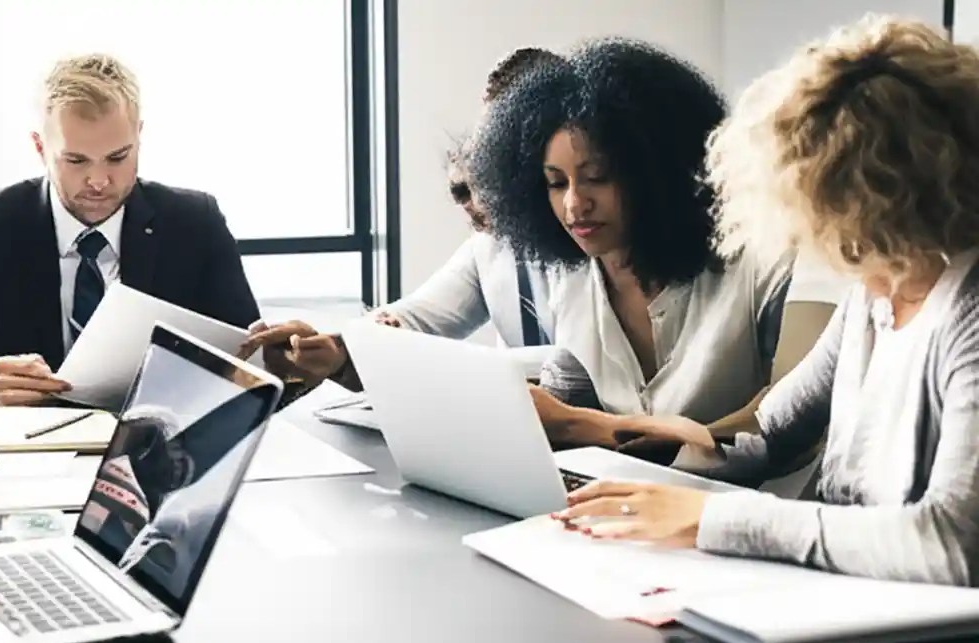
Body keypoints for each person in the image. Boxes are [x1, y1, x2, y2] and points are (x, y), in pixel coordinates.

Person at [556, 15, 979, 586]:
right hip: (844, 599)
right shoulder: (871, 299)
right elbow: (769, 437)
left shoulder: (967, 311)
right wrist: (638, 474)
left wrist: (713, 519)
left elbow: (953, 545)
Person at [461, 38, 809, 448]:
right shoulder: (571, 277)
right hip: (622, 504)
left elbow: (791, 421)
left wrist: (587, 427)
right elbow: (568, 401)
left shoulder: (761, 262)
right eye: (556, 183)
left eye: (598, 177)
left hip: (739, 505)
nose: (575, 204)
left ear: (657, 170)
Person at [0, 53, 260, 422]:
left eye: (117, 158)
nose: (99, 181)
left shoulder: (195, 223)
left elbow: (252, 364)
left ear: (139, 138)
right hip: (26, 456)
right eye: (76, 161)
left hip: (161, 448)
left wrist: (298, 363)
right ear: (40, 149)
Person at [241, 48, 568, 390]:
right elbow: (416, 318)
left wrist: (445, 363)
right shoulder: (489, 248)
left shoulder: (595, 238)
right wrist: (334, 347)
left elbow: (578, 366)